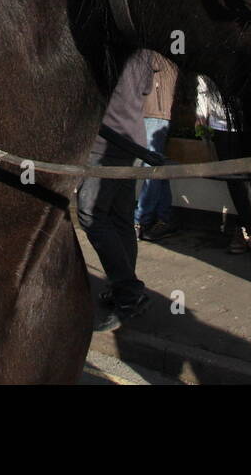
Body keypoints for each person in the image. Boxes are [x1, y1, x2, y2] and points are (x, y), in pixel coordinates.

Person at [77, 50, 157, 333]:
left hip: (105, 147)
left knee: (90, 213)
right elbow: (145, 90)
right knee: (121, 218)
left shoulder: (104, 47)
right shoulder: (143, 52)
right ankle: (122, 285)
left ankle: (128, 291)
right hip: (132, 142)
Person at [135, 54, 178, 242]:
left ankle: (140, 219)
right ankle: (164, 217)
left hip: (156, 111)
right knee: (157, 168)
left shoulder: (164, 41)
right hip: (151, 109)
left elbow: (152, 63)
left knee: (151, 168)